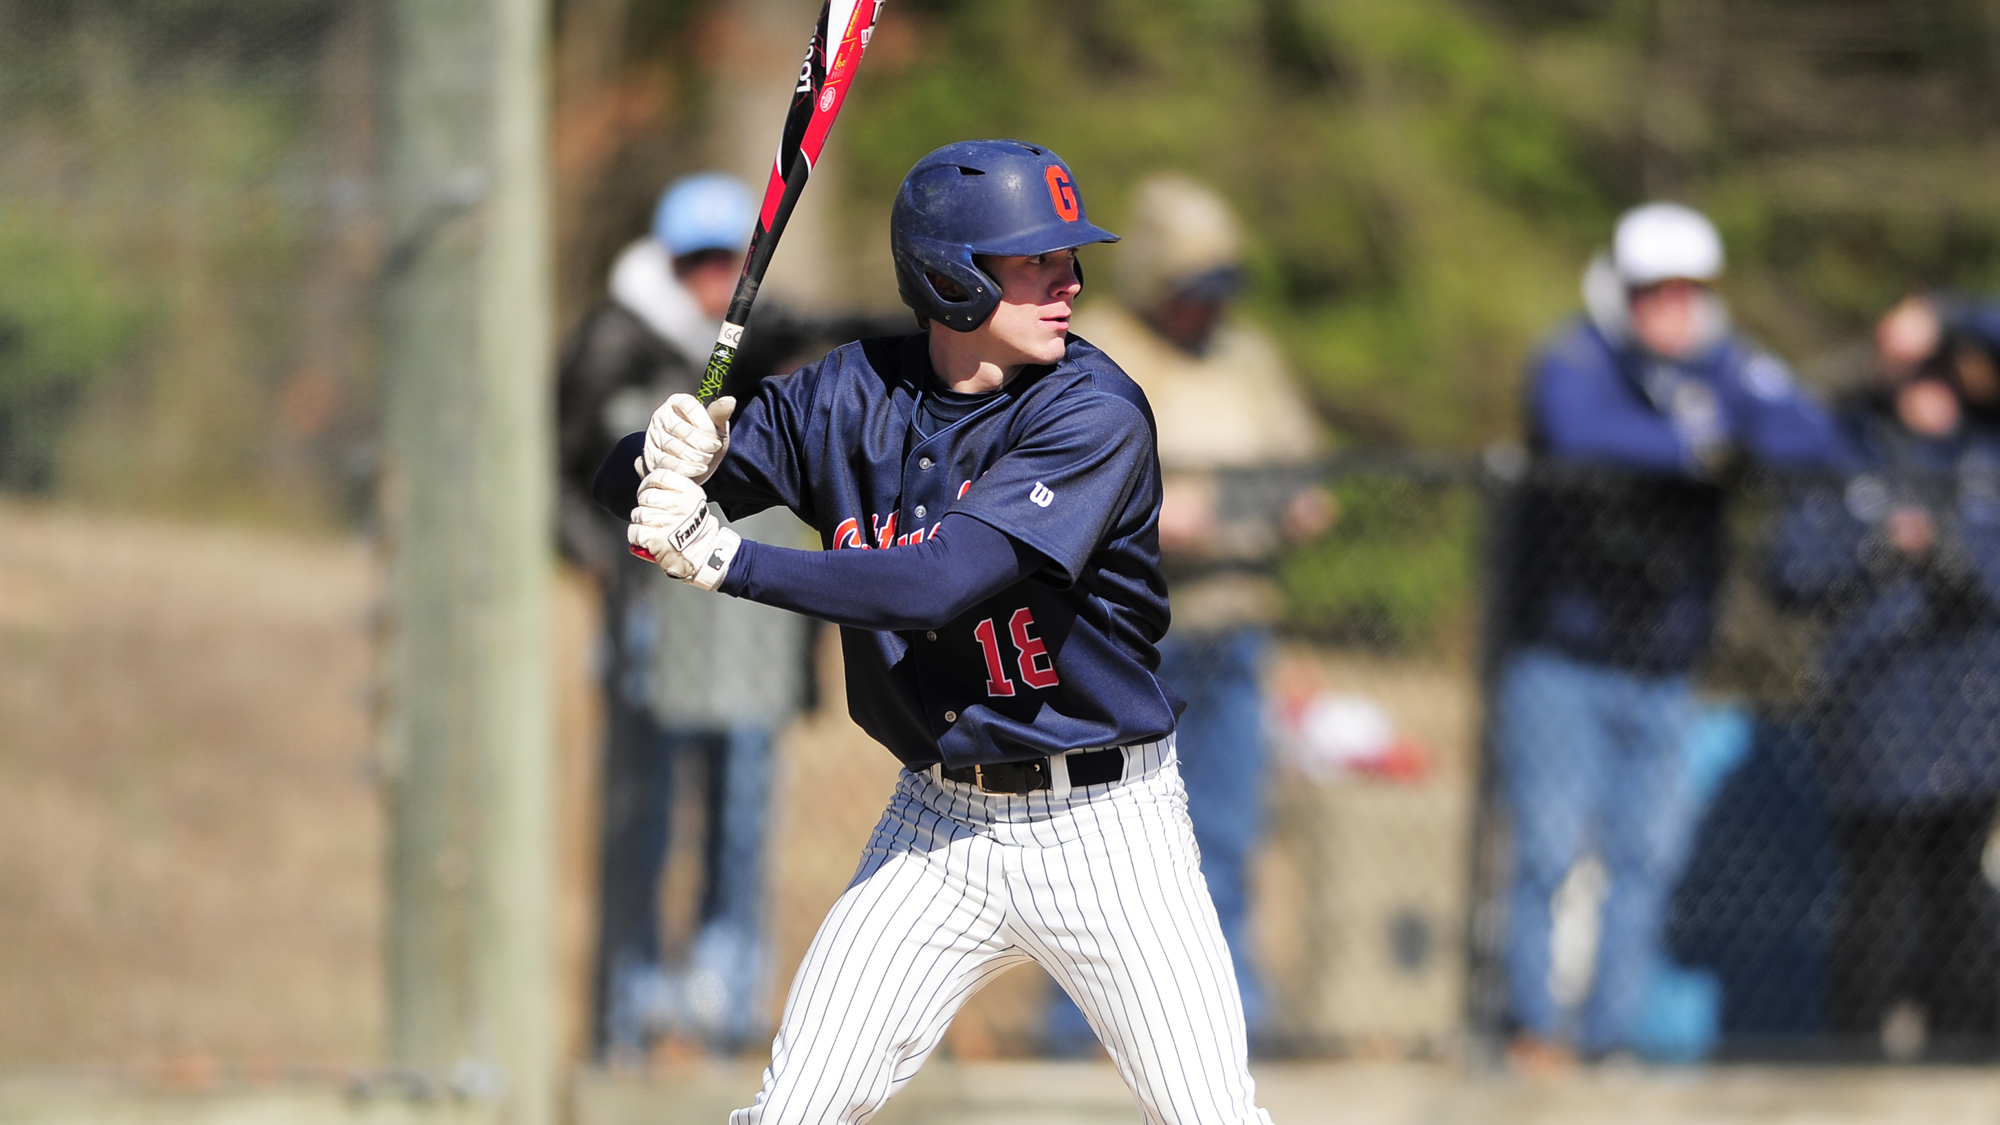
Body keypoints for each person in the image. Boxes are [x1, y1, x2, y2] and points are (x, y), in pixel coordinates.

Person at [598, 139, 1274, 1125]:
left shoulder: (1094, 409)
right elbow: (626, 487)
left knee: (1213, 1116)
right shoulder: (843, 394)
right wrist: (664, 452)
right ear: (947, 278)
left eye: (1068, 259)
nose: (1069, 283)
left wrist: (730, 562)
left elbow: (936, 583)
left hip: (1106, 827)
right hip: (938, 824)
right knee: (789, 1113)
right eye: (1034, 261)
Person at [1493, 202, 1849, 1066]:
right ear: (1623, 290)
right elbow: (1583, 432)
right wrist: (1697, 444)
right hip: (1561, 655)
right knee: (1546, 847)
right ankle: (1535, 1028)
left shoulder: (1724, 366)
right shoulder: (1577, 357)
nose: (1673, 308)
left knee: (1645, 856)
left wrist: (1712, 424)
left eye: (1689, 291)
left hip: (1662, 661)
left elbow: (1813, 438)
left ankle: (1609, 1040)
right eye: (1655, 291)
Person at [1039, 174, 1327, 1053]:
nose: (1205, 309)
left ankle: (1226, 1023)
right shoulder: (1096, 350)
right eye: (1189, 290)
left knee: (1229, 829)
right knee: (1101, 837)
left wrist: (1235, 509)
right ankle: (1080, 1032)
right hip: (1125, 637)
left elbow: (1308, 486)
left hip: (1233, 625)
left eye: (1218, 291)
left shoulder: (1248, 358)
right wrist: (1160, 514)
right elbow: (1059, 486)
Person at [555, 171, 812, 1061]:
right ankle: (631, 1008)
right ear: (667, 262)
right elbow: (565, 471)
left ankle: (722, 1005)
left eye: (725, 259)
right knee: (644, 813)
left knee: (742, 815)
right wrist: (608, 562)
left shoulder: (766, 337)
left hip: (743, 620)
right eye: (695, 259)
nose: (712, 277)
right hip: (653, 613)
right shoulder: (616, 337)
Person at [1769, 301, 2000, 1059]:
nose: (1933, 389)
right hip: (1879, 710)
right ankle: (1856, 1058)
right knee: (1880, 895)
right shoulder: (1844, 456)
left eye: (1946, 372)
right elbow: (1790, 572)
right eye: (1917, 373)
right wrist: (1878, 548)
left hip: (1974, 709)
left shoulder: (1984, 461)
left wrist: (1945, 313)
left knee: (1964, 893)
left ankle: (1961, 1054)